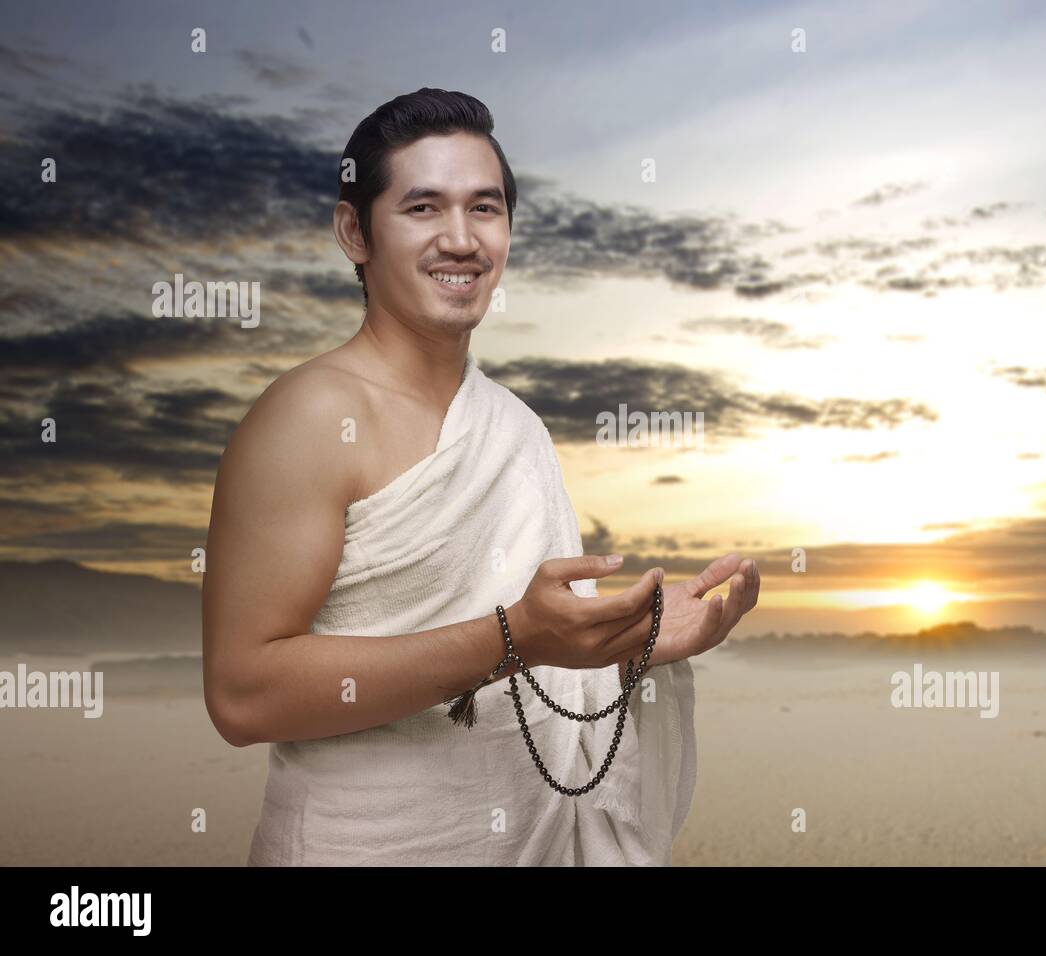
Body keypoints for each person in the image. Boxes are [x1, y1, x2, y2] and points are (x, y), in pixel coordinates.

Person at [201, 88, 761, 865]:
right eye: (423, 209)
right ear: (354, 230)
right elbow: (242, 694)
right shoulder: (307, 418)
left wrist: (627, 638)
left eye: (485, 209)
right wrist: (515, 639)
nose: (460, 240)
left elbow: (546, 663)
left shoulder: (513, 426)